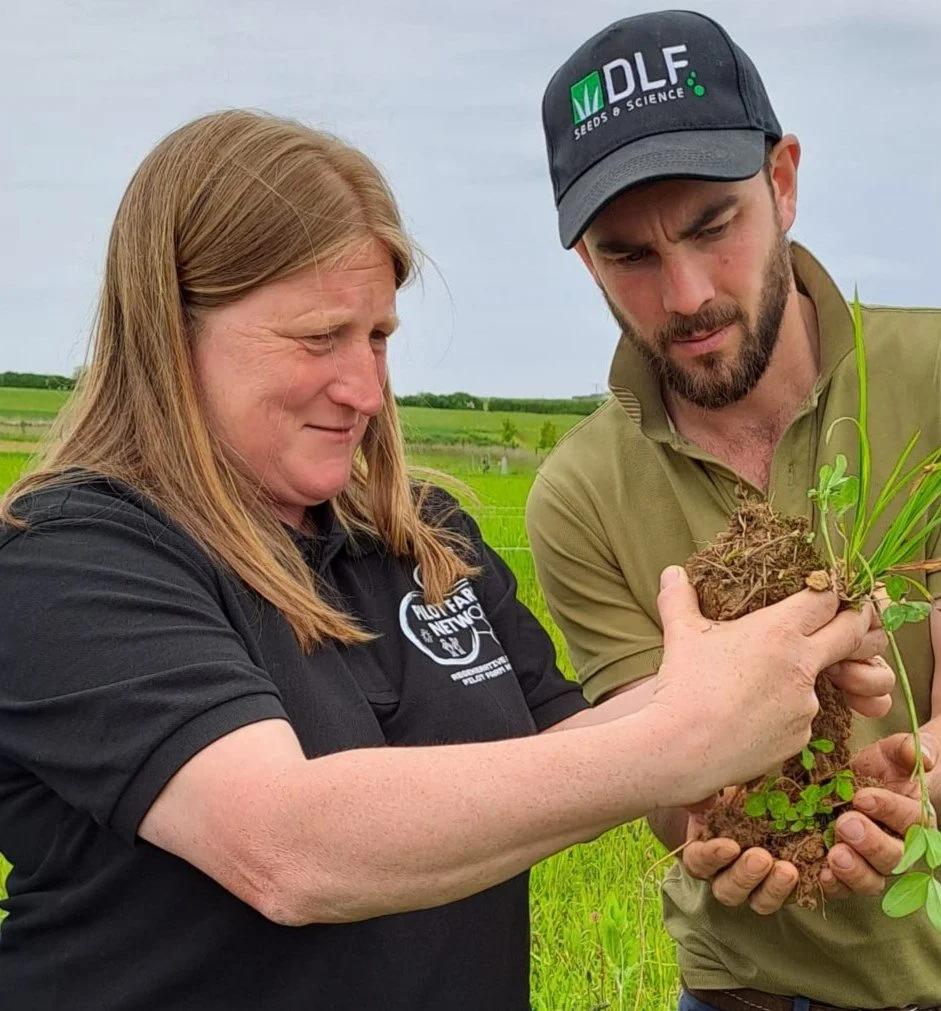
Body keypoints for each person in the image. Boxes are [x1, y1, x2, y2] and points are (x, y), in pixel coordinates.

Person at [0, 110, 888, 1011]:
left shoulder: (425, 536)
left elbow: (569, 751)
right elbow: (284, 846)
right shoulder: (72, 560)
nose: (365, 390)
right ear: (169, 330)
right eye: (318, 337)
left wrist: (779, 664)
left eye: (377, 337)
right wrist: (685, 737)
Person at [528, 9, 941, 1011]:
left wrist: (926, 768)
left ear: (782, 182)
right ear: (585, 261)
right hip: (743, 991)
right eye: (628, 255)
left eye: (713, 226)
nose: (685, 296)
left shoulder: (929, 377)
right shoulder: (578, 495)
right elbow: (661, 777)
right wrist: (708, 816)